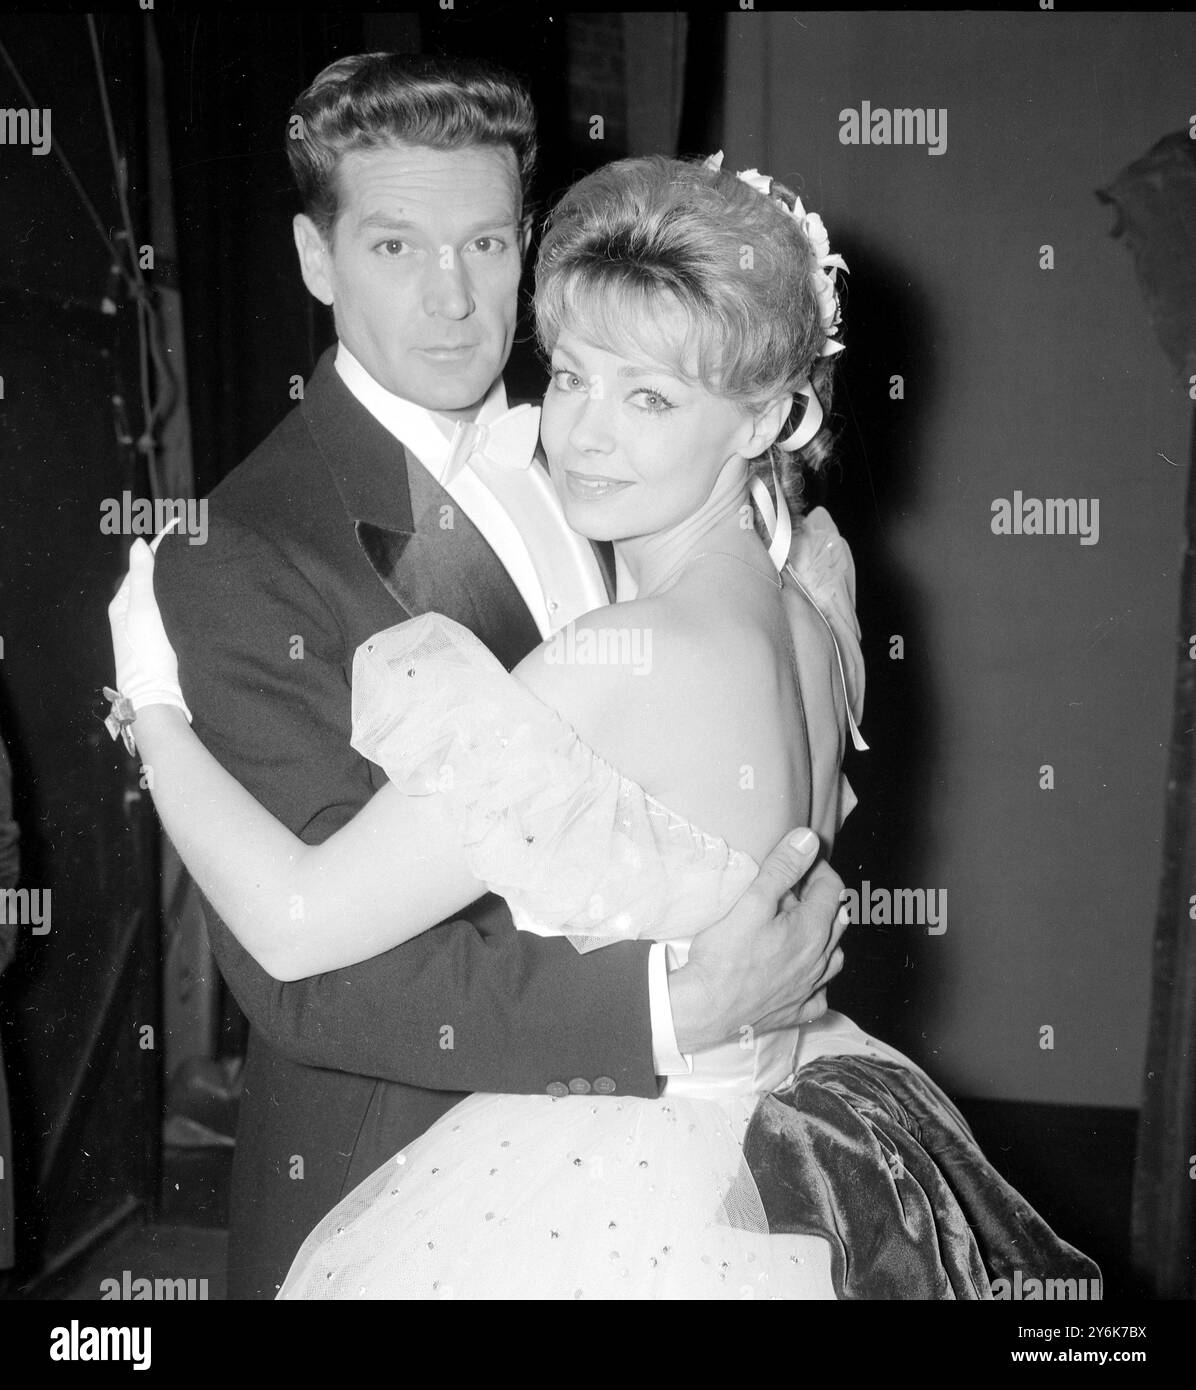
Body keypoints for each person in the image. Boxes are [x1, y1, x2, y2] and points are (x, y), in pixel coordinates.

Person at [109, 149, 1099, 1299]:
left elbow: (290, 922)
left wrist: (150, 702)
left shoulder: (618, 663)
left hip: (626, 1181)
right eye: (573, 377)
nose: (581, 434)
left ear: (765, 417)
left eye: (649, 398)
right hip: (791, 1119)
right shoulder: (815, 604)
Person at [143, 53, 849, 1300]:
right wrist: (666, 1010)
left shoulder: (605, 454)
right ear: (317, 261)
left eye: (484, 243)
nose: (454, 300)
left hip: (644, 1191)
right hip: (397, 1176)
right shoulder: (243, 548)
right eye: (396, 248)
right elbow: (305, 982)